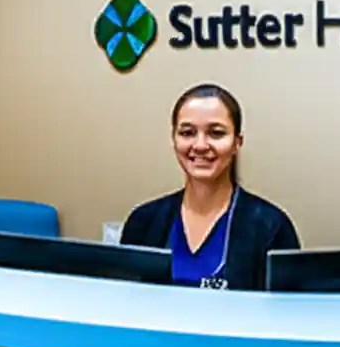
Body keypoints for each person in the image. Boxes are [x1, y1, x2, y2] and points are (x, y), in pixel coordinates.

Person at [121, 83, 299, 290]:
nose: (200, 145)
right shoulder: (143, 222)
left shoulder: (270, 226)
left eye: (216, 133)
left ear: (236, 143)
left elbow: (285, 315)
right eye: (187, 133)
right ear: (174, 139)